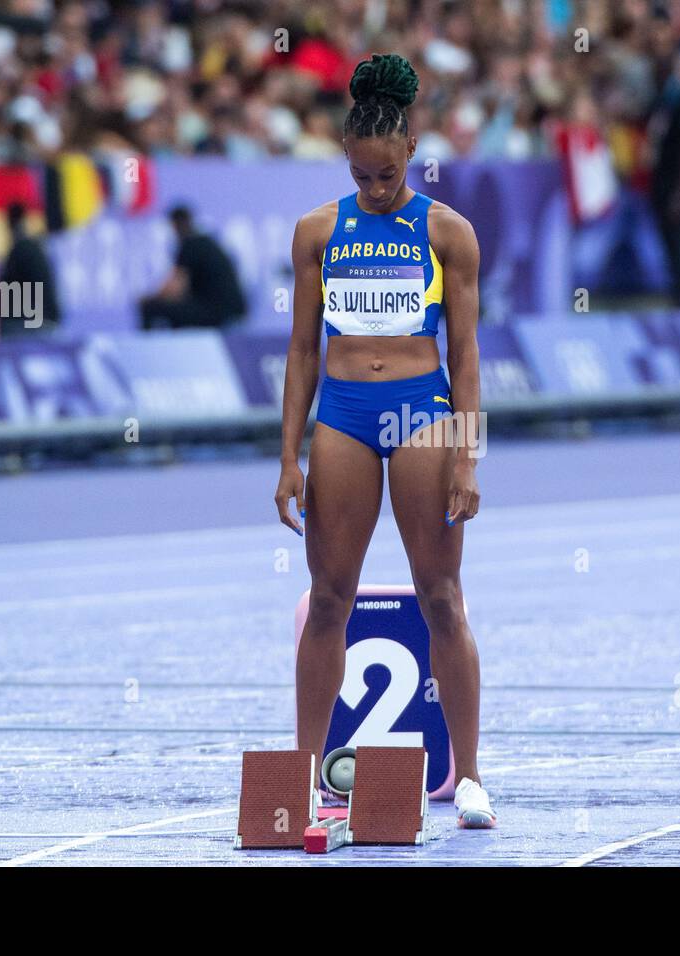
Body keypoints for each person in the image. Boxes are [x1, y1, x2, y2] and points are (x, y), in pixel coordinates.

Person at [276, 53, 496, 829]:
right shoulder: (316, 232)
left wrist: (467, 455)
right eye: (362, 176)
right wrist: (287, 460)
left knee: (441, 596)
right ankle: (302, 779)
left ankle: (469, 778)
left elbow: (465, 354)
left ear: (410, 148)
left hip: (422, 416)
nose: (375, 189)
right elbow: (303, 352)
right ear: (347, 157)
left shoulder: (447, 232)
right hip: (341, 417)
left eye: (387, 174)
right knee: (330, 598)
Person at [139, 205, 245, 331]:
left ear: (175, 224)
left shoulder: (190, 245)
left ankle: (150, 349)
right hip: (231, 309)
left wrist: (149, 299)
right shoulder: (207, 241)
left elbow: (175, 289)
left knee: (151, 308)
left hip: (215, 311)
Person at [0, 202, 61, 337]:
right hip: (45, 324)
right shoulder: (36, 248)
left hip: (32, 327)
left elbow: (8, 294)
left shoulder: (22, 249)